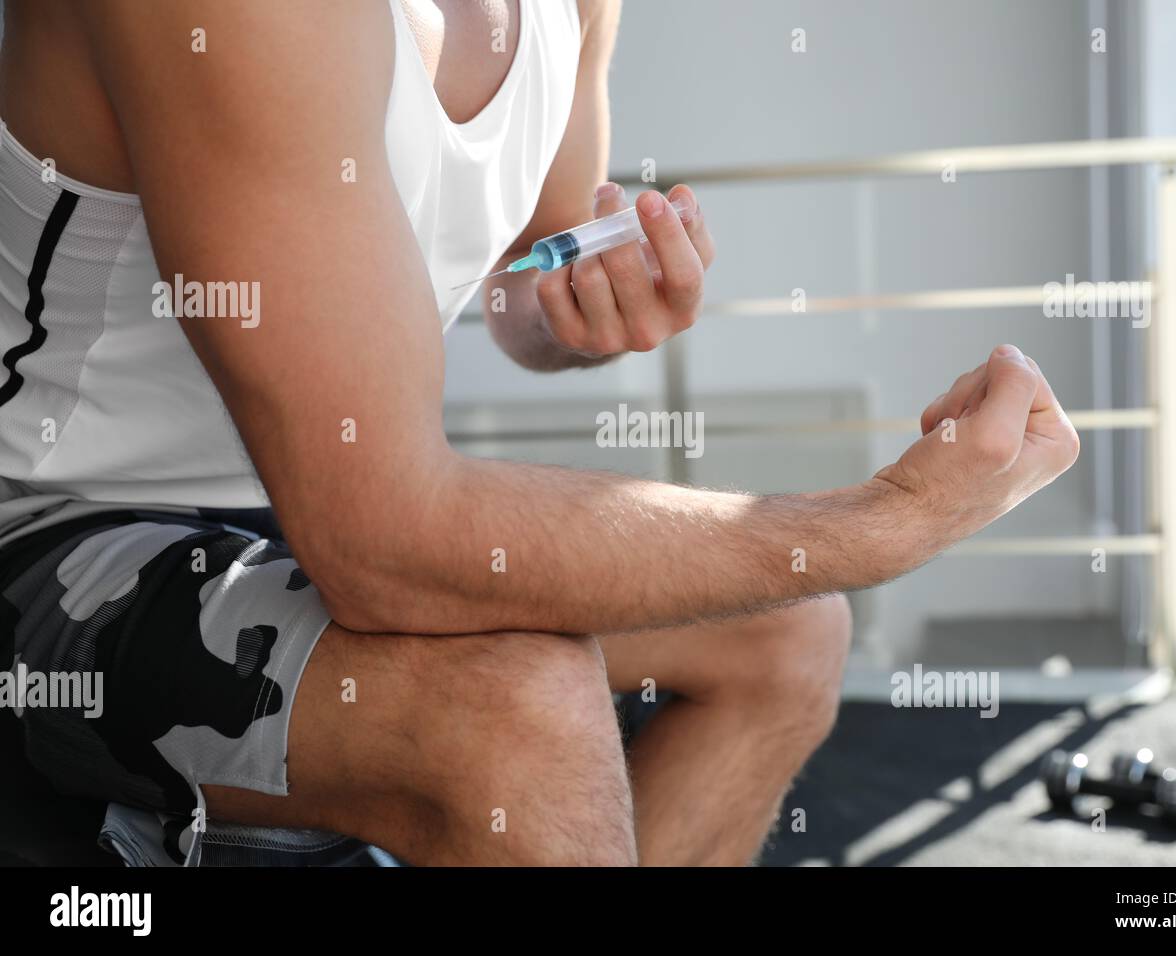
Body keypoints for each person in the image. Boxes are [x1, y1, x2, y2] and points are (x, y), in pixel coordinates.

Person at [0, 0, 1078, 866]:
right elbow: (382, 542)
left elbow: (531, 280)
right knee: (519, 712)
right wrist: (883, 523)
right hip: (55, 530)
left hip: (305, 504)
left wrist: (591, 307)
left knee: (788, 632)